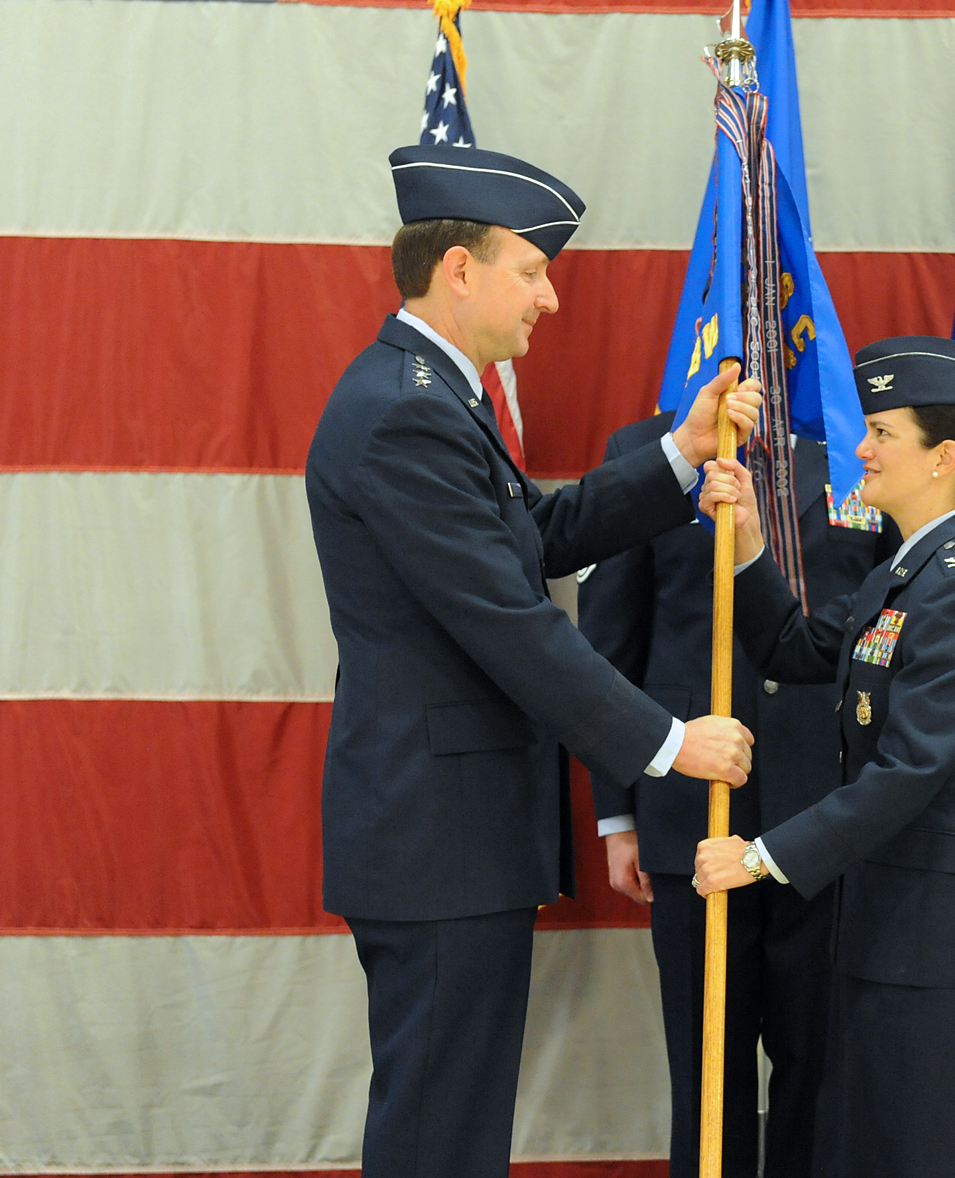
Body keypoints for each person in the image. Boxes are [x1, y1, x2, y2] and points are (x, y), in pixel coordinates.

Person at [305, 142, 761, 1178]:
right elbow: (511, 622)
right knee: (440, 1136)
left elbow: (533, 536)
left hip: (449, 835)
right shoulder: (406, 412)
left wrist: (681, 453)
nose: (549, 298)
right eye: (533, 271)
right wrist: (668, 742)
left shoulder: (435, 395)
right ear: (459, 269)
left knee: (452, 1126)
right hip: (436, 839)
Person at [692, 336, 955, 1178]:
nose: (862, 449)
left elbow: (908, 775)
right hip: (887, 927)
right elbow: (796, 649)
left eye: (883, 433)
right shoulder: (906, 570)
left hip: (942, 943)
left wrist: (760, 857)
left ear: (943, 458)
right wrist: (749, 542)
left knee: (938, 1153)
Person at [580, 416, 894, 1178]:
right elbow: (609, 644)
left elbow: (885, 625)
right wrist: (618, 813)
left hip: (827, 811)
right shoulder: (649, 450)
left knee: (816, 1067)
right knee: (705, 1071)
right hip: (691, 807)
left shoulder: (864, 443)